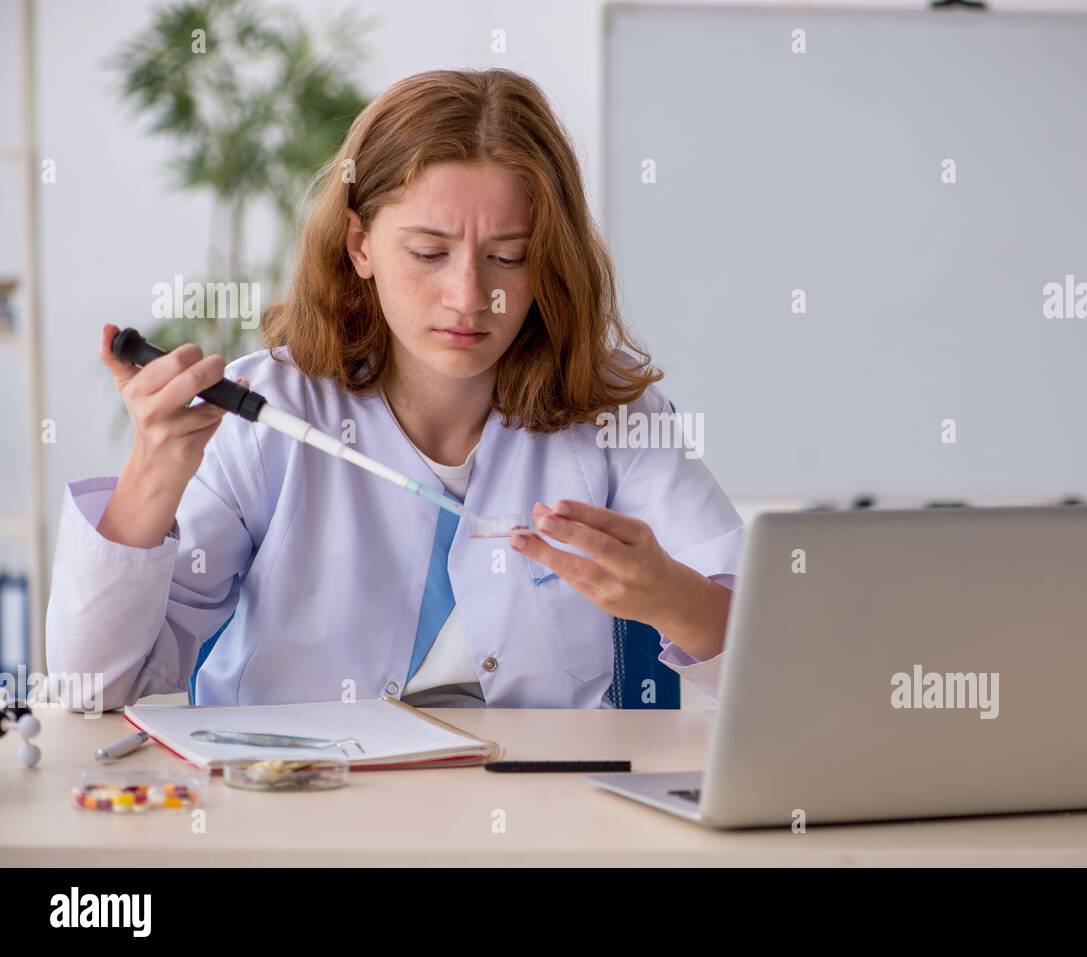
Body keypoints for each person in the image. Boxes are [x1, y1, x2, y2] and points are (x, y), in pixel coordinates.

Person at [45, 69, 741, 712]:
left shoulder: (613, 417)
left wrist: (677, 600)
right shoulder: (270, 412)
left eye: (508, 256)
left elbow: (774, 659)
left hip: (542, 821)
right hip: (300, 813)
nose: (469, 297)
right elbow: (97, 689)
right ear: (359, 245)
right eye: (429, 253)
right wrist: (146, 483)